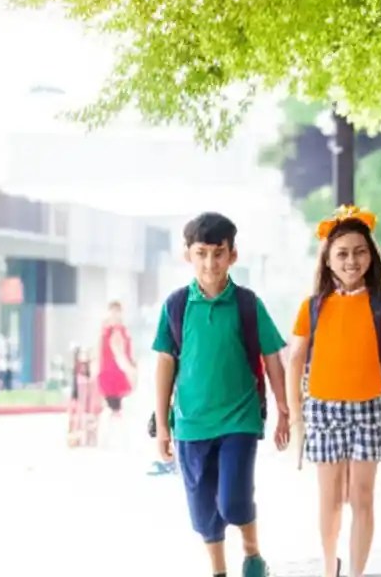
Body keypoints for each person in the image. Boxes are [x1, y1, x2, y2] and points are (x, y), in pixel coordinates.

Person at [152, 212, 291, 577]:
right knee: (203, 511)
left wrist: (283, 408)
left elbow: (273, 356)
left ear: (233, 255)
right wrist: (163, 425)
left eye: (218, 253)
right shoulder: (176, 306)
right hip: (190, 424)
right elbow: (165, 363)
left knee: (234, 499)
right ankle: (218, 571)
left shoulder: (247, 304)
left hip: (239, 419)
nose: (210, 263)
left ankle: (252, 553)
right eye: (201, 253)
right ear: (188, 255)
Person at [287, 206, 381, 577]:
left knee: (362, 497)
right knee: (331, 498)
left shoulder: (380, 306)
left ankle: (356, 572)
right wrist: (295, 416)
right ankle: (328, 567)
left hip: (368, 408)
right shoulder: (314, 306)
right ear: (328, 261)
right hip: (322, 409)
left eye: (359, 251)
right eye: (342, 253)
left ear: (371, 256)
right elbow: (294, 361)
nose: (352, 260)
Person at [97, 300, 137, 448]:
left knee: (113, 411)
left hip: (113, 376)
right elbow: (118, 354)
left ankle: (108, 442)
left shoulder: (113, 331)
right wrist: (131, 371)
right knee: (115, 411)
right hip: (113, 376)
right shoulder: (113, 331)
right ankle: (116, 442)